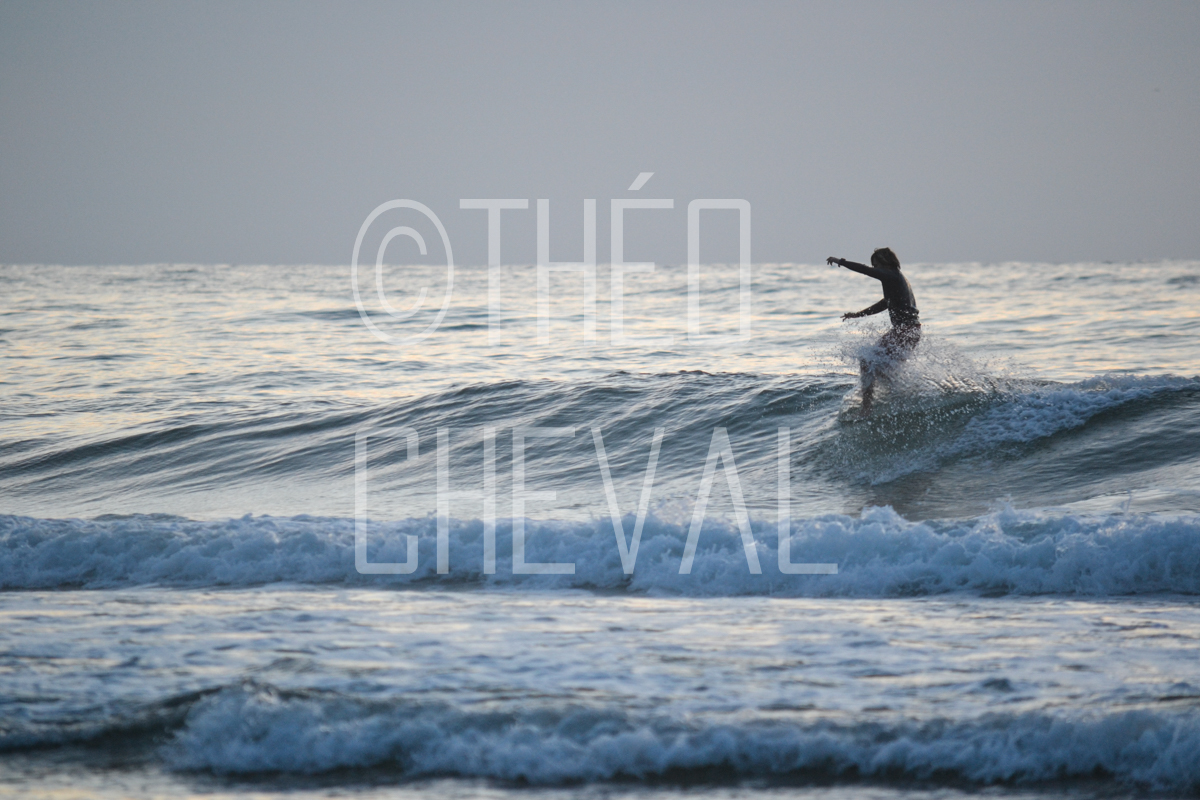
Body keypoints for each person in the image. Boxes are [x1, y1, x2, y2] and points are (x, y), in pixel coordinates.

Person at [825, 247, 920, 414]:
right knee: (880, 367)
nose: (875, 269)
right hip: (909, 332)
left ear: (885, 262)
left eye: (876, 265)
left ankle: (866, 409)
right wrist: (858, 315)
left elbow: (864, 270)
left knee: (867, 362)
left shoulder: (891, 275)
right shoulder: (896, 279)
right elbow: (885, 304)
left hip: (905, 331)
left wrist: (841, 261)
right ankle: (903, 397)